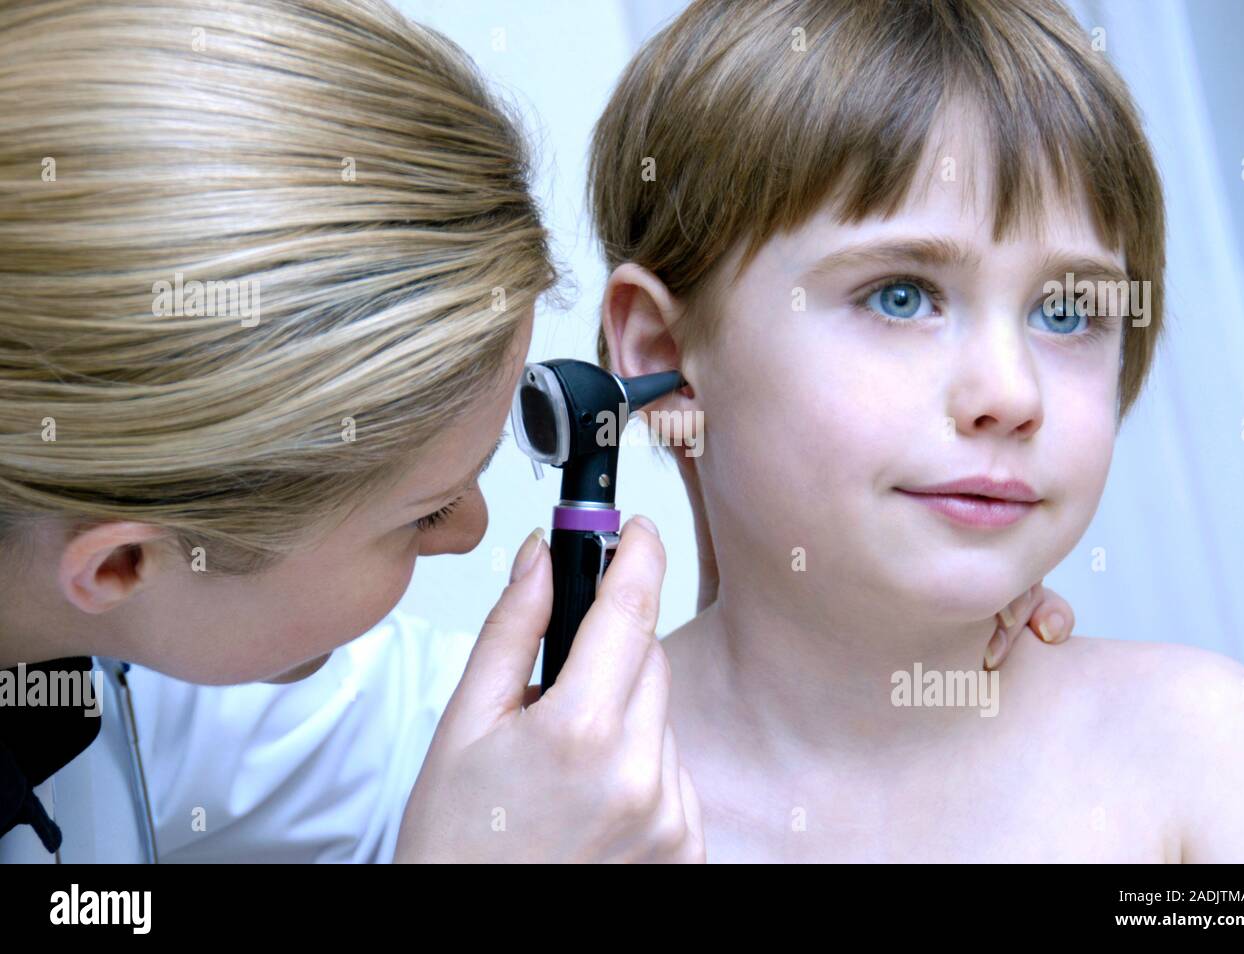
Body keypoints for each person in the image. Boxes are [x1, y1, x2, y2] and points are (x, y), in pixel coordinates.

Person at [0, 0, 1072, 864]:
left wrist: (858, 639)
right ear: (126, 561)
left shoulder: (161, 686)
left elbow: (479, 745)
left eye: (1066, 311)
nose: (469, 529)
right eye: (419, 512)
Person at [585, 0, 1244, 861]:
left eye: (1068, 311)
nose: (1009, 393)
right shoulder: (570, 804)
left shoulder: (1197, 752)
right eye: (900, 295)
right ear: (663, 355)